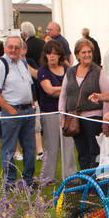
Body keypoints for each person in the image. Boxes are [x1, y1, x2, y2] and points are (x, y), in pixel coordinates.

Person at [0, 32, 40, 191]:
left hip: (28, 111)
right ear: (5, 48)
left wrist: (31, 104)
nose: (13, 50)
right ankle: (10, 182)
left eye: (17, 47)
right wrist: (11, 110)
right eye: (10, 47)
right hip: (12, 111)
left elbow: (29, 85)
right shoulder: (0, 64)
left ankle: (28, 180)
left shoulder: (23, 63)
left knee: (30, 148)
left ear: (21, 49)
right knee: (9, 148)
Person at [59, 36, 109, 172]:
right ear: (77, 55)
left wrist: (105, 121)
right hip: (74, 118)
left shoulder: (99, 72)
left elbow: (107, 97)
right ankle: (85, 183)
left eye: (89, 52)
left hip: (93, 118)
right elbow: (63, 95)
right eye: (83, 52)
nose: (87, 55)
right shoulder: (70, 72)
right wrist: (63, 117)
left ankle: (96, 184)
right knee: (82, 153)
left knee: (95, 152)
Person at [36, 39, 78, 183]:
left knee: (68, 145)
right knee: (51, 146)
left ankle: (70, 176)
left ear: (60, 55)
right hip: (50, 113)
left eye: (55, 54)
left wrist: (61, 90)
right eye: (49, 54)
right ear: (45, 55)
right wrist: (65, 88)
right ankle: (48, 177)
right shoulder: (43, 71)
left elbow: (74, 88)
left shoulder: (68, 71)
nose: (52, 56)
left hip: (67, 113)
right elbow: (49, 91)